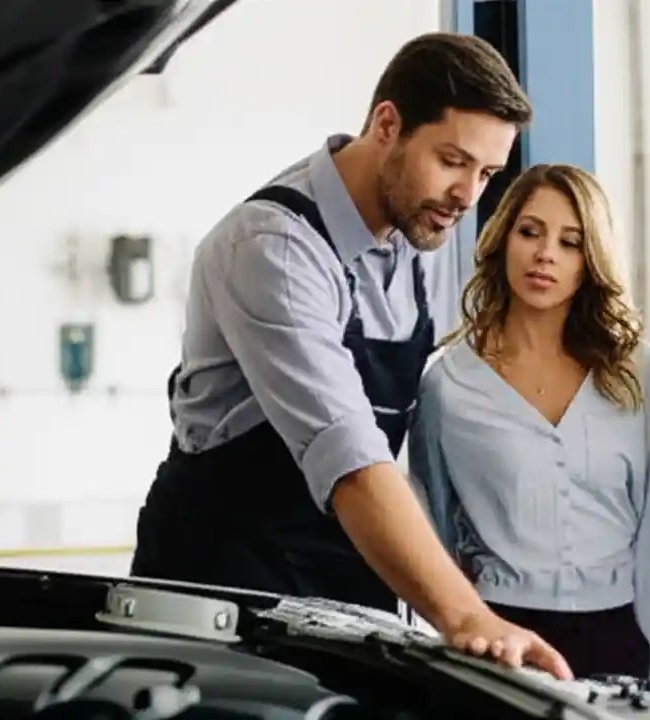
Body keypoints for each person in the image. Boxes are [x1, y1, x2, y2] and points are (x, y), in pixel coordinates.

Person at [129, 32, 571, 680]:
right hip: (223, 583)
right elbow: (351, 458)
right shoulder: (273, 248)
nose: (467, 194)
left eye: (485, 173)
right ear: (387, 124)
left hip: (345, 571)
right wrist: (467, 616)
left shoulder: (422, 232)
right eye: (452, 160)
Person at [408, 163, 650, 679]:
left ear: (590, 258)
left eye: (570, 242)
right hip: (497, 636)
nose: (545, 253)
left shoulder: (634, 372)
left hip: (615, 635)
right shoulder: (449, 384)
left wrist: (646, 648)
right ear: (504, 238)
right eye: (530, 232)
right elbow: (433, 529)